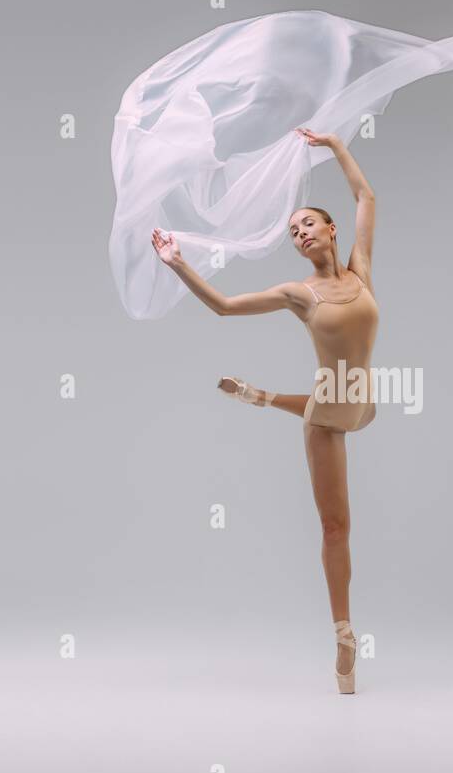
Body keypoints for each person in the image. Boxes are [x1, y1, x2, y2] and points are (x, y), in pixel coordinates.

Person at [151, 127, 378, 693]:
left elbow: (367, 198)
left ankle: (259, 396)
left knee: (342, 404)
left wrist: (334, 146)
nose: (300, 233)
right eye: (292, 231)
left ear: (331, 230)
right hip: (328, 417)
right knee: (336, 528)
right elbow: (226, 308)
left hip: (363, 404)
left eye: (308, 223)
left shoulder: (361, 270)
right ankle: (345, 639)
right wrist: (178, 263)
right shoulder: (300, 295)